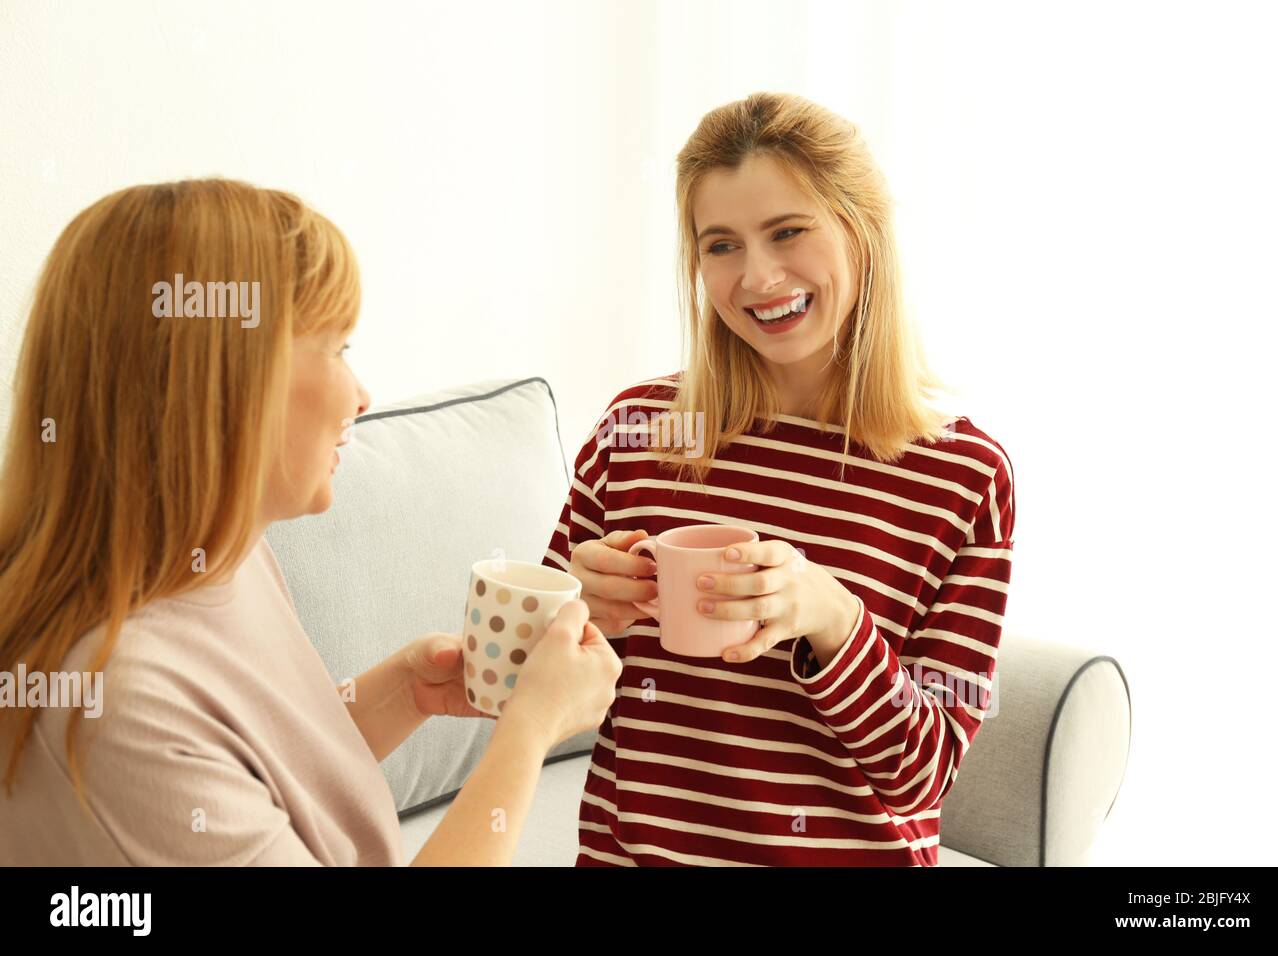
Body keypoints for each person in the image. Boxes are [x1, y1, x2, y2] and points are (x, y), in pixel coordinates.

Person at [0, 179, 621, 866]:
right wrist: (529, 732)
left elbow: (257, 783)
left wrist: (401, 695)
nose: (361, 396)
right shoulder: (118, 704)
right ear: (229, 385)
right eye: (337, 350)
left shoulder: (221, 553)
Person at [542, 92, 1016, 866]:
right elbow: (515, 685)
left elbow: (923, 774)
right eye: (721, 244)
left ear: (861, 234)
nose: (758, 277)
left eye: (788, 232)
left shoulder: (961, 476)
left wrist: (832, 617)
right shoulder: (638, 430)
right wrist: (576, 611)